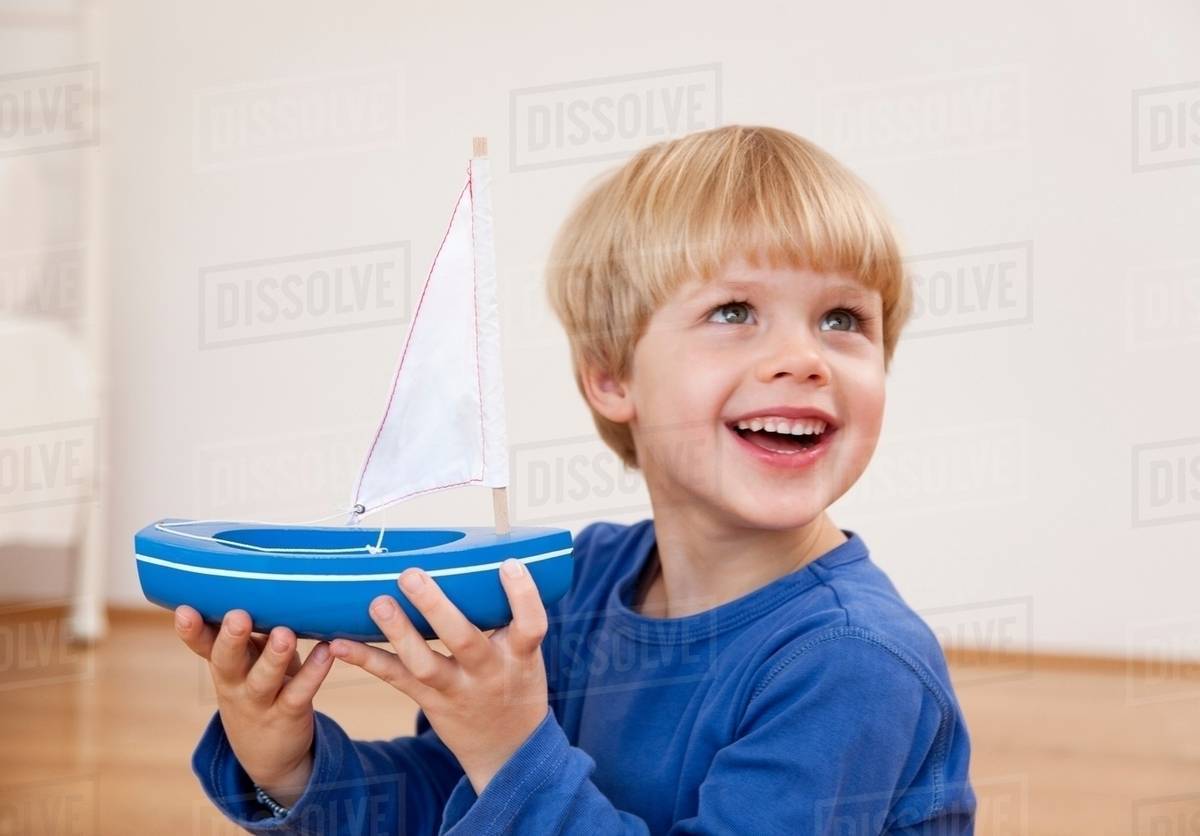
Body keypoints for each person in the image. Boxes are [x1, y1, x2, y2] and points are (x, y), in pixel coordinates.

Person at [175, 124, 976, 834]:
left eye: (844, 320)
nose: (803, 357)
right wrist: (289, 766)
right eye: (734, 311)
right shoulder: (573, 585)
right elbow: (461, 798)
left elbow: (507, 777)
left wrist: (511, 747)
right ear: (611, 377)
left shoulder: (852, 662)